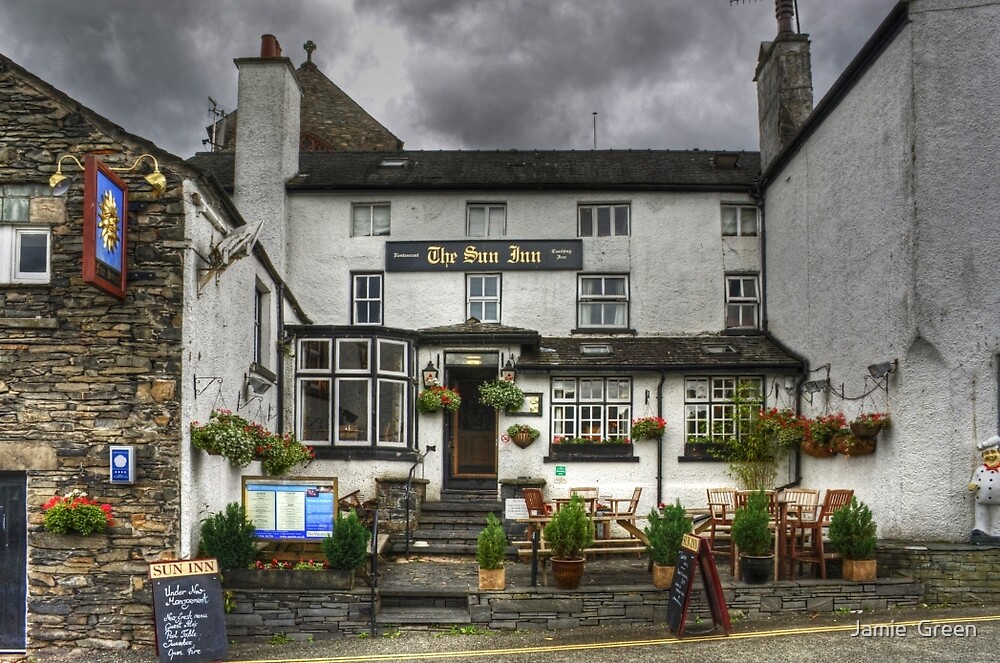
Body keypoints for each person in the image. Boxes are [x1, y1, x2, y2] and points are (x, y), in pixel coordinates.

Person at [968, 435, 1000, 543]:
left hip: (997, 500)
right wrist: (972, 487)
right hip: (981, 500)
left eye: (993, 452)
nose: (990, 456)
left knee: (997, 517)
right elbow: (973, 483)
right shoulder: (979, 470)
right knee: (981, 516)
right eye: (987, 453)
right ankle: (980, 530)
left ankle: (996, 533)